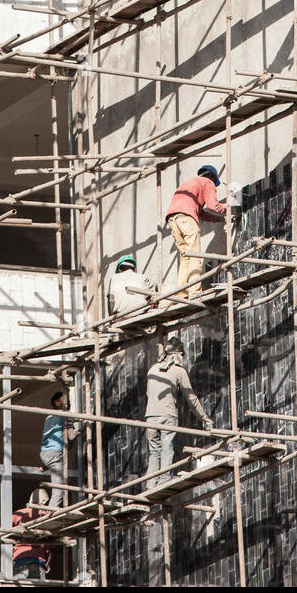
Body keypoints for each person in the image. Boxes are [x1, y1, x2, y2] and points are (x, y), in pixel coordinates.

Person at [144, 336, 214, 485]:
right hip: (167, 415)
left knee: (154, 451)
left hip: (150, 416)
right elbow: (191, 399)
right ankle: (163, 480)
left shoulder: (152, 370)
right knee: (167, 448)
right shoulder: (179, 371)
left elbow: (149, 394)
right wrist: (205, 418)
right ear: (178, 354)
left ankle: (150, 483)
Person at [164, 164, 227, 299]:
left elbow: (201, 212)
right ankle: (194, 291)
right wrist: (228, 207)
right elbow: (213, 206)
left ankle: (181, 293)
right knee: (195, 255)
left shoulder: (190, 183)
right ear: (211, 177)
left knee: (185, 256)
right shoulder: (207, 182)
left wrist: (217, 220)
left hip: (173, 219)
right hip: (187, 218)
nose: (214, 186)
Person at [39, 388, 78, 510]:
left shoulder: (49, 418)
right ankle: (50, 512)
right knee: (59, 488)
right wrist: (86, 425)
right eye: (65, 400)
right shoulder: (66, 416)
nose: (69, 402)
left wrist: (45, 464)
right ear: (57, 403)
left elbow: (49, 438)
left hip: (46, 454)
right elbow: (71, 436)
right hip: (55, 454)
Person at [12, 487, 51, 581]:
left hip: (20, 559)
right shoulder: (45, 516)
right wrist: (47, 564)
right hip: (37, 561)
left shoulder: (17, 514)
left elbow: (6, 532)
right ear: (44, 501)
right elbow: (50, 544)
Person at [108, 254, 156, 318]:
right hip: (141, 314)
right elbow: (152, 296)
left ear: (119, 269)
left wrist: (111, 319)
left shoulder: (114, 278)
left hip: (121, 316)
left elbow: (111, 300)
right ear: (133, 269)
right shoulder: (142, 277)